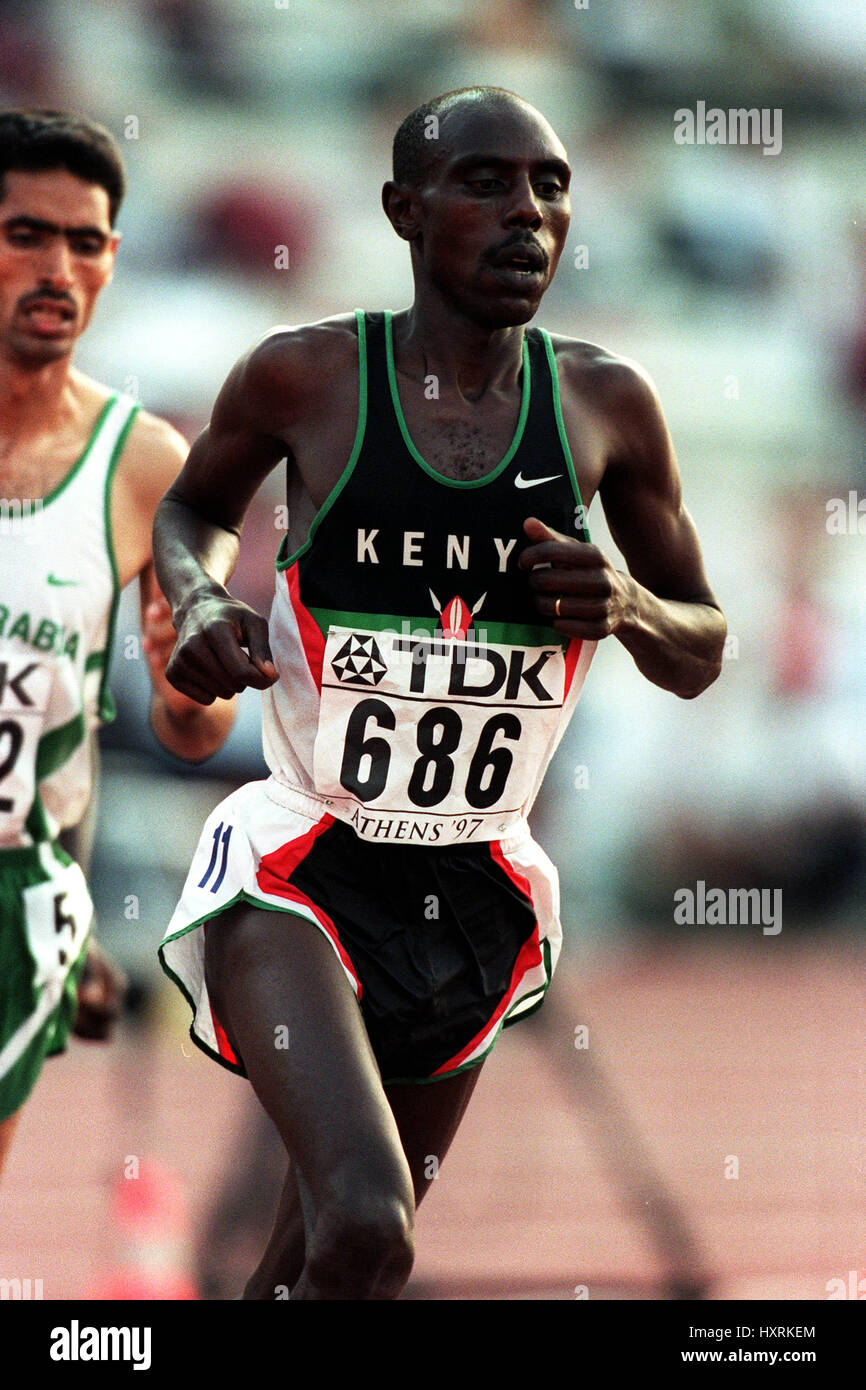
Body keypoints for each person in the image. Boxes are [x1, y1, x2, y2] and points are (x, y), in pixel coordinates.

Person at [155, 86, 726, 1301]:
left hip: (475, 885)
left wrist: (625, 604)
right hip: (301, 864)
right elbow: (192, 509)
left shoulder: (604, 405)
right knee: (369, 1223)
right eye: (485, 182)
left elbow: (700, 645)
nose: (527, 213)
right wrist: (197, 600)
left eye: (551, 186)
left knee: (320, 1258)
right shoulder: (308, 378)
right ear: (404, 211)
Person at [0, 109, 235, 1177]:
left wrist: (196, 673)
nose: (58, 268)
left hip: (16, 897)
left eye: (85, 242)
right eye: (24, 235)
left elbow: (184, 729)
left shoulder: (143, 465)